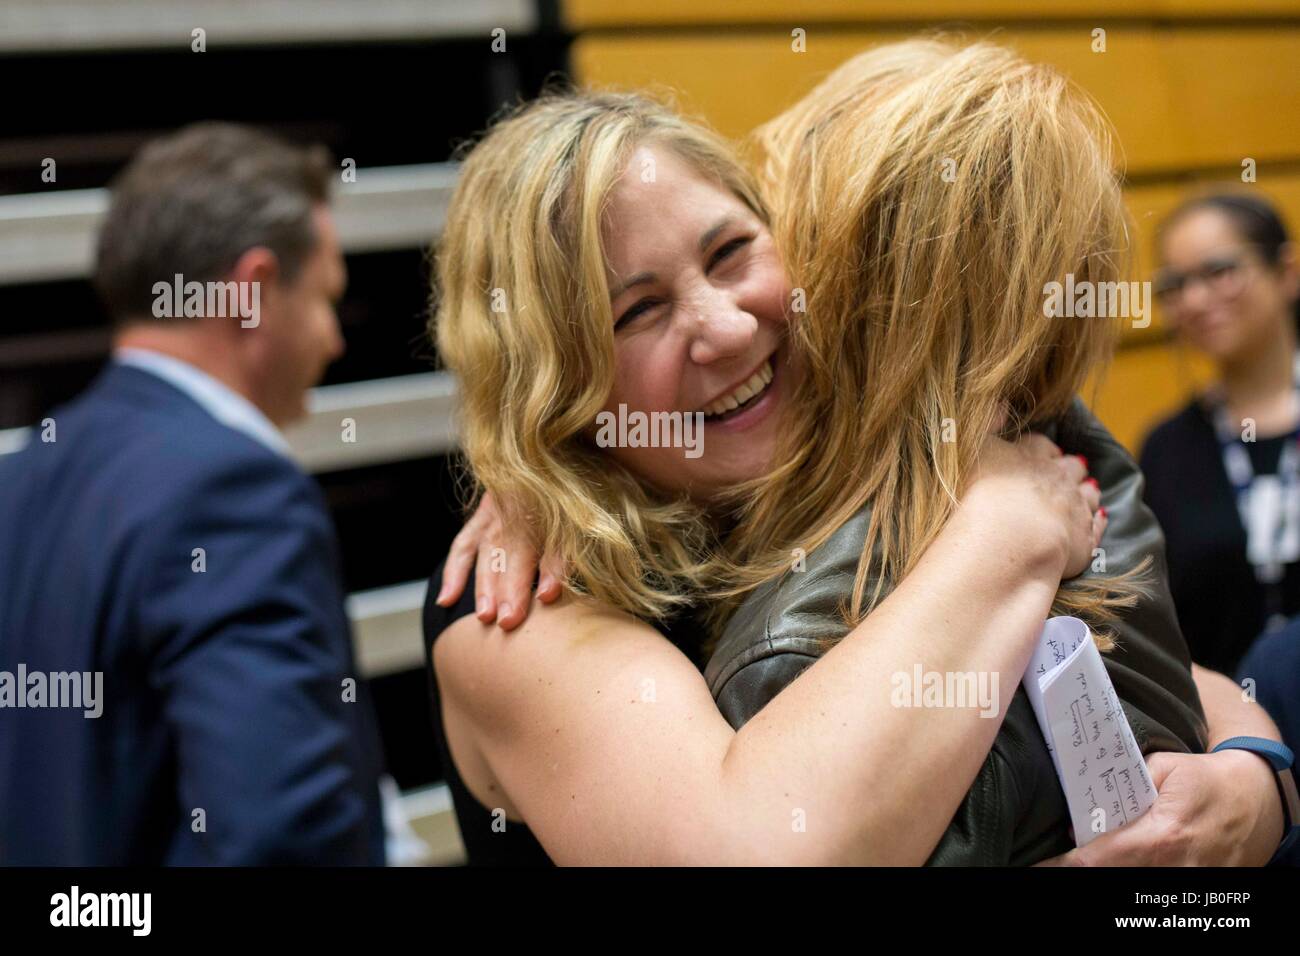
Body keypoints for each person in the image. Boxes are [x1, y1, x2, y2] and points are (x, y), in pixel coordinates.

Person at [426, 71, 1283, 863]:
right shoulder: (515, 611)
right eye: (638, 310)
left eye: (730, 253)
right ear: (553, 382)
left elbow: (1157, 666)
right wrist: (1009, 529)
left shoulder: (850, 457)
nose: (725, 327)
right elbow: (756, 851)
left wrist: (1256, 778)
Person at [0, 123, 386, 865]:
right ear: (253, 292)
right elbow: (278, 837)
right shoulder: (236, 492)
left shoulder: (22, 479)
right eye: (324, 300)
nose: (335, 340)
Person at [1140, 193, 1300, 676]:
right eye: (1175, 285)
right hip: (1232, 739)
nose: (1193, 300)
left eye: (1219, 272)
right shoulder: (1166, 449)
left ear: (1287, 272)